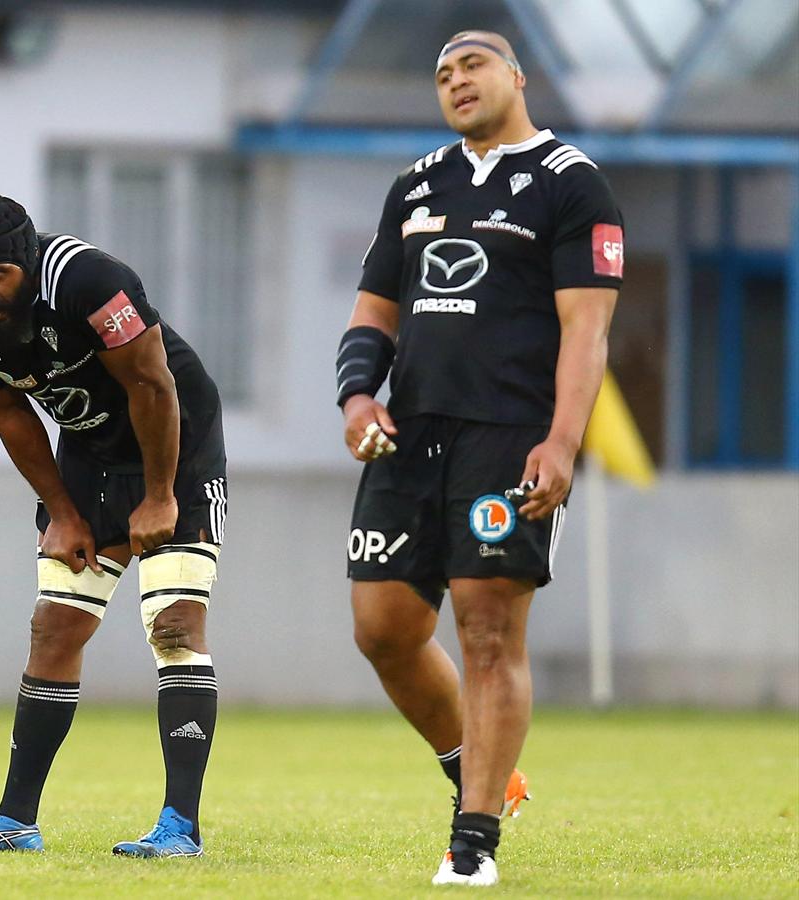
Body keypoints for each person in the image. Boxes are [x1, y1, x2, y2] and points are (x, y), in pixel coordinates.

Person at [337, 30, 624, 886]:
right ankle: (484, 772)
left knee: (488, 630)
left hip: (509, 435)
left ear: (516, 76)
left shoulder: (574, 184)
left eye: (472, 66)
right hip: (411, 433)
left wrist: (562, 441)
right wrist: (357, 399)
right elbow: (372, 315)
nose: (456, 82)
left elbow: (588, 329)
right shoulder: (415, 185)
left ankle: (473, 842)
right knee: (383, 628)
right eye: (442, 74)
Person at [0, 195, 227, 858]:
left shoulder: (91, 282)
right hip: (89, 454)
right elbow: (7, 412)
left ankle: (180, 826)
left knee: (173, 625)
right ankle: (15, 821)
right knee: (55, 626)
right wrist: (62, 510)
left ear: (27, 262)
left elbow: (154, 386)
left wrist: (158, 497)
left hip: (177, 444)